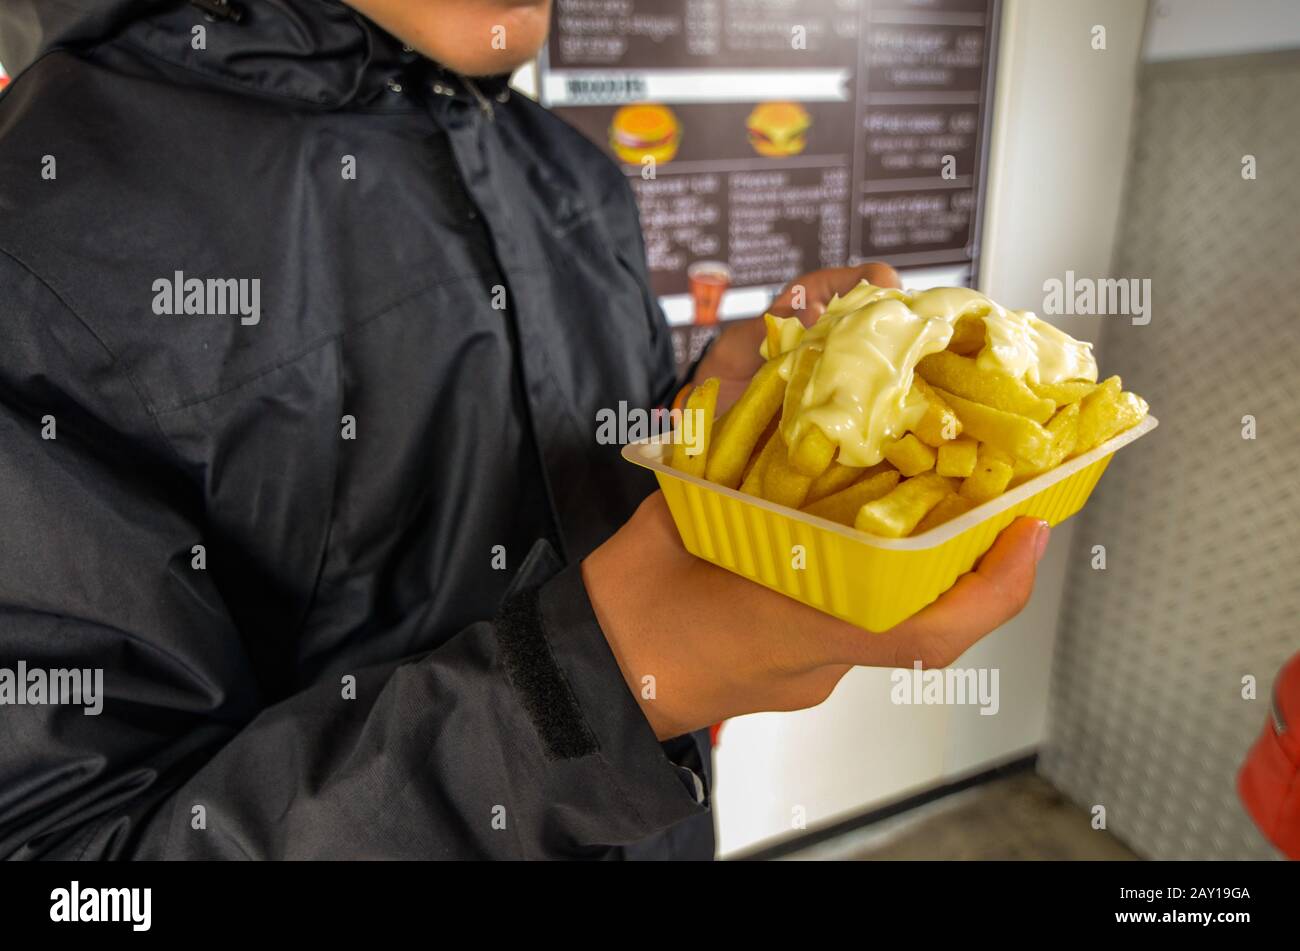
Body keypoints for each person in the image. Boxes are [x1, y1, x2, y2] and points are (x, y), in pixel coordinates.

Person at [0, 0, 1046, 860]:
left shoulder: (567, 167)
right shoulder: (42, 216)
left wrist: (709, 415)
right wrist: (601, 685)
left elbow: (572, 492)